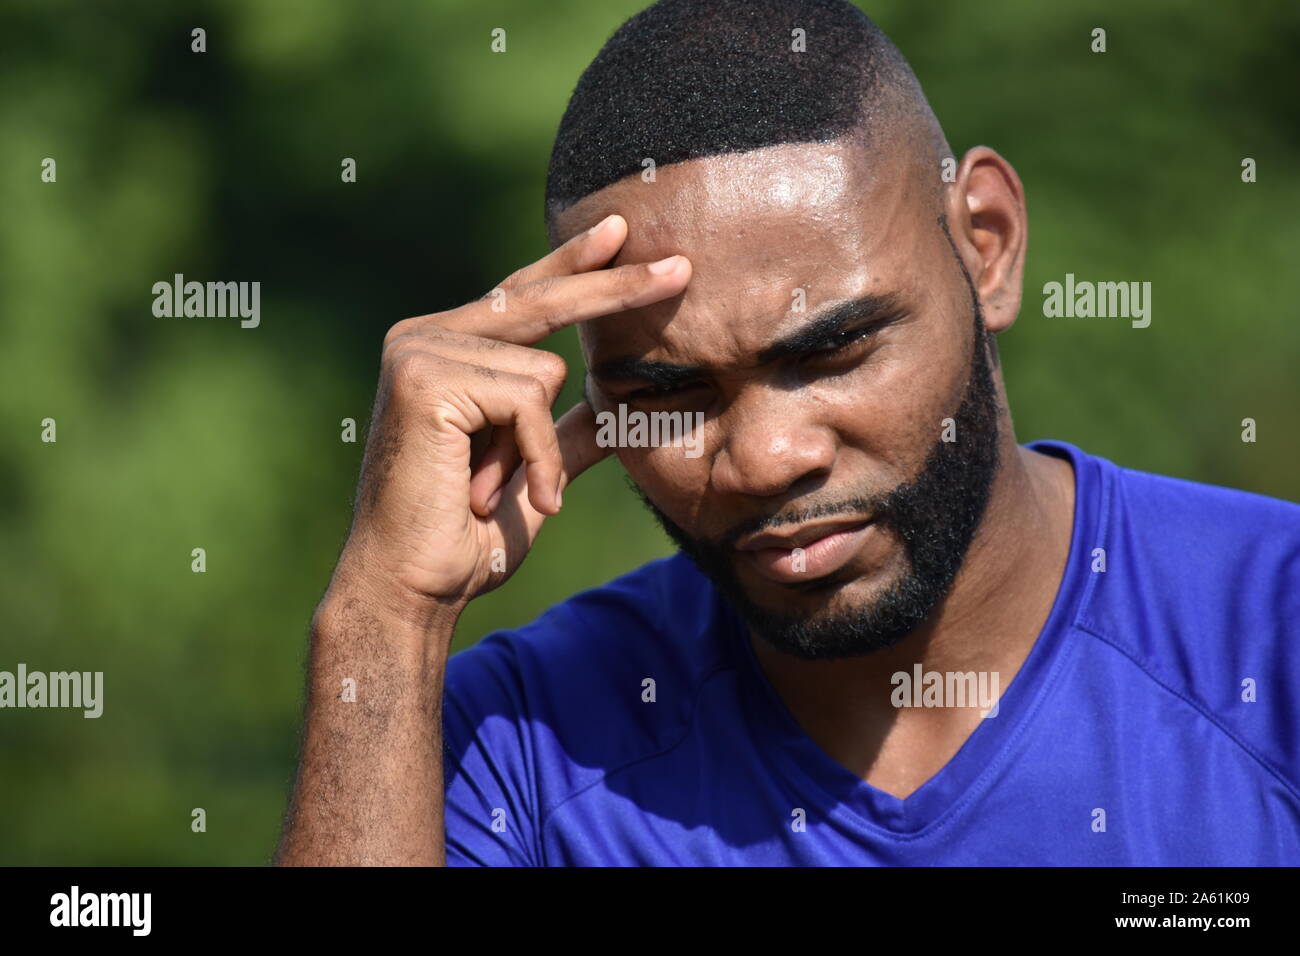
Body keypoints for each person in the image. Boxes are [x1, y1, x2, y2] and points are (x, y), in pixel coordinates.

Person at [275, 0, 1300, 866]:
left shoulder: (1269, 636)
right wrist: (385, 616)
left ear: (985, 247)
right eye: (670, 393)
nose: (765, 459)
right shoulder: (523, 745)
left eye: (833, 351)